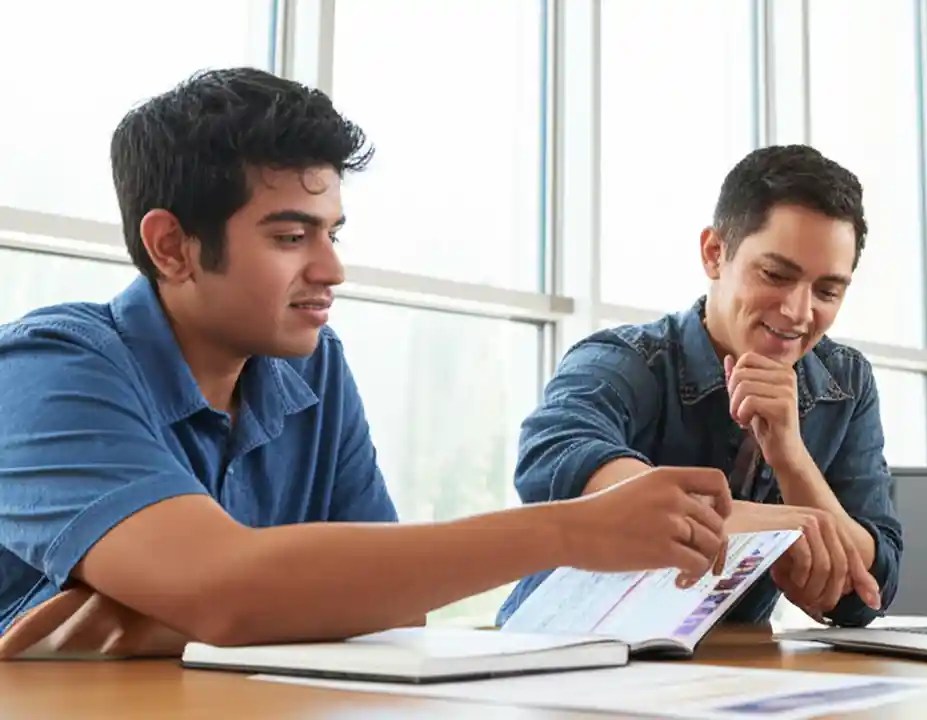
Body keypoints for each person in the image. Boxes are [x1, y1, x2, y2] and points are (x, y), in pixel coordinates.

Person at [0, 68, 731, 659]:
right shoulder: (45, 370)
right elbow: (222, 590)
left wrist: (178, 619)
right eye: (291, 238)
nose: (332, 270)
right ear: (171, 246)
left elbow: (395, 607)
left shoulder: (312, 370)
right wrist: (570, 530)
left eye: (333, 233)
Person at [497, 145, 903, 627]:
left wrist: (791, 458)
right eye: (776, 275)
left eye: (827, 291)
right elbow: (555, 462)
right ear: (715, 253)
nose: (798, 312)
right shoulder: (624, 361)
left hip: (730, 663)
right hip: (566, 651)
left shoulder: (845, 383)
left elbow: (869, 591)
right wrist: (778, 527)